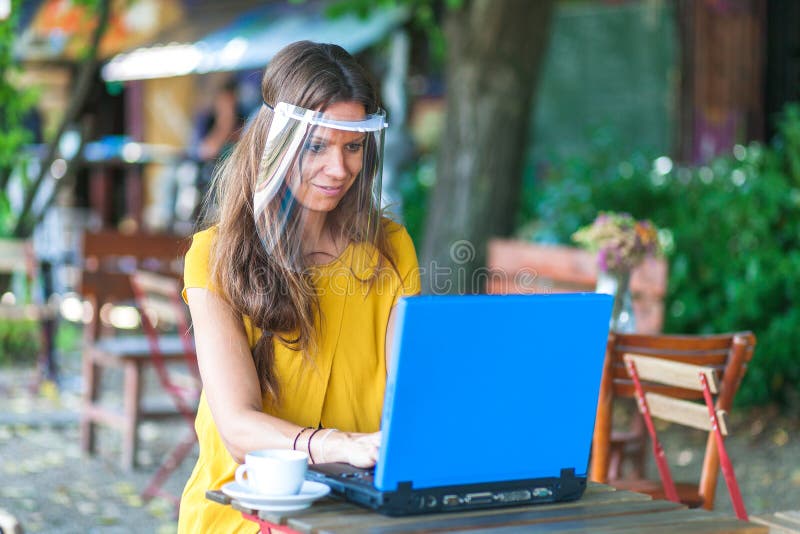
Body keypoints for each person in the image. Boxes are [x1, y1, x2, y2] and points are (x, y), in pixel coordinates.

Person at [178, 41, 421, 532]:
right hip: (248, 515)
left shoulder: (391, 249)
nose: (339, 168)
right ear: (276, 143)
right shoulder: (214, 256)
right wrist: (340, 445)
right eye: (316, 146)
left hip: (356, 515)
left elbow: (408, 396)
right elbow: (239, 429)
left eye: (352, 146)